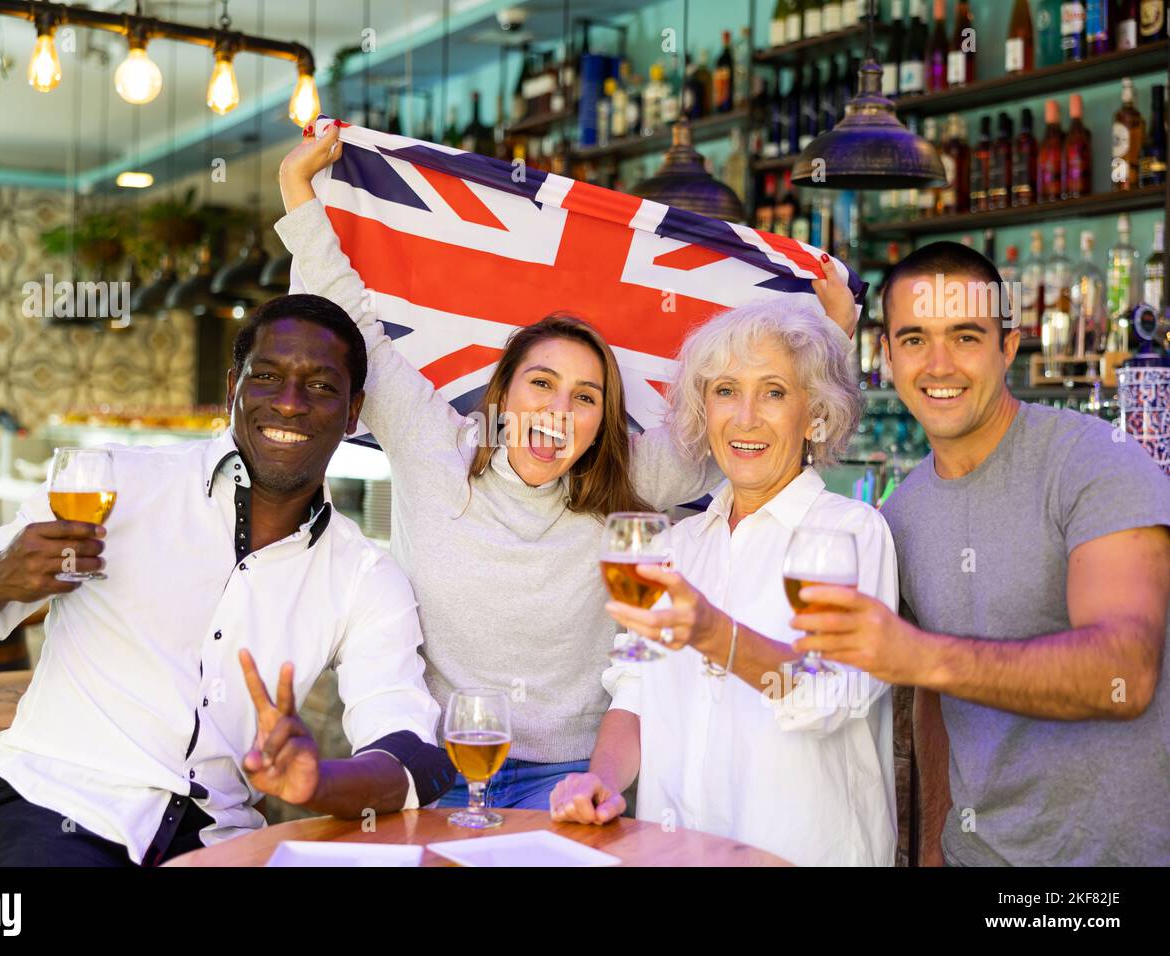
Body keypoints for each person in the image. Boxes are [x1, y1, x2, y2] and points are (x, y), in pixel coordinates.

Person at [274, 124, 861, 810]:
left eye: (586, 398)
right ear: (502, 393)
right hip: (442, 760)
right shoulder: (436, 442)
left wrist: (836, 339)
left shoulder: (633, 479)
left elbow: (750, 419)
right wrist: (296, 192)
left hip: (578, 772)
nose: (559, 410)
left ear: (603, 420)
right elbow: (356, 330)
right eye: (541, 384)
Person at [0, 294, 454, 866]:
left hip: (214, 838)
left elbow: (412, 753)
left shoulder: (363, 574)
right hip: (45, 810)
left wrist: (319, 782)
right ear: (234, 385)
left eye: (320, 386)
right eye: (267, 377)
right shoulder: (108, 487)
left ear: (354, 409)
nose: (289, 404)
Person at [793, 242, 1170, 866]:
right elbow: (935, 708)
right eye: (914, 339)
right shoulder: (903, 515)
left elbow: (1123, 675)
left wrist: (917, 654)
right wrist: (939, 846)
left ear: (1008, 347)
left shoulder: (1095, 461)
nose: (939, 365)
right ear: (886, 356)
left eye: (965, 337)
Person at [547, 301, 898, 866]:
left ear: (816, 416)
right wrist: (603, 781)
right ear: (702, 410)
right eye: (726, 391)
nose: (746, 418)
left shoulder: (853, 533)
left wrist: (712, 633)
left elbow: (832, 697)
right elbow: (632, 692)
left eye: (775, 392)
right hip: (675, 853)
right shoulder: (675, 547)